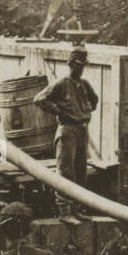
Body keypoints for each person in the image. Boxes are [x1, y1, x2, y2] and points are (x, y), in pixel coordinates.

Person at [34, 49, 99, 217]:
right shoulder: (62, 83)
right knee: (66, 171)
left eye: (83, 66)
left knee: (80, 172)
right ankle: (64, 212)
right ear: (70, 65)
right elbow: (40, 99)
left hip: (82, 130)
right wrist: (58, 110)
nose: (80, 69)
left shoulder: (84, 85)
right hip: (67, 130)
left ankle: (76, 210)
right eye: (77, 66)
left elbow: (95, 100)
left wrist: (84, 111)